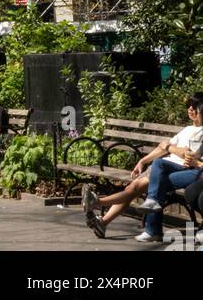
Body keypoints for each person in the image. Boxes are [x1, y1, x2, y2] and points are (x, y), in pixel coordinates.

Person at [82, 93, 203, 242]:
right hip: (163, 168)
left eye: (194, 106)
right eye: (188, 106)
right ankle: (103, 220)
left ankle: (97, 203)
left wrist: (170, 148)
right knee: (132, 189)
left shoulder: (202, 132)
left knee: (135, 189)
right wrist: (143, 161)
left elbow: (184, 154)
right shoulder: (187, 129)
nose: (190, 109)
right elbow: (162, 147)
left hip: (176, 169)